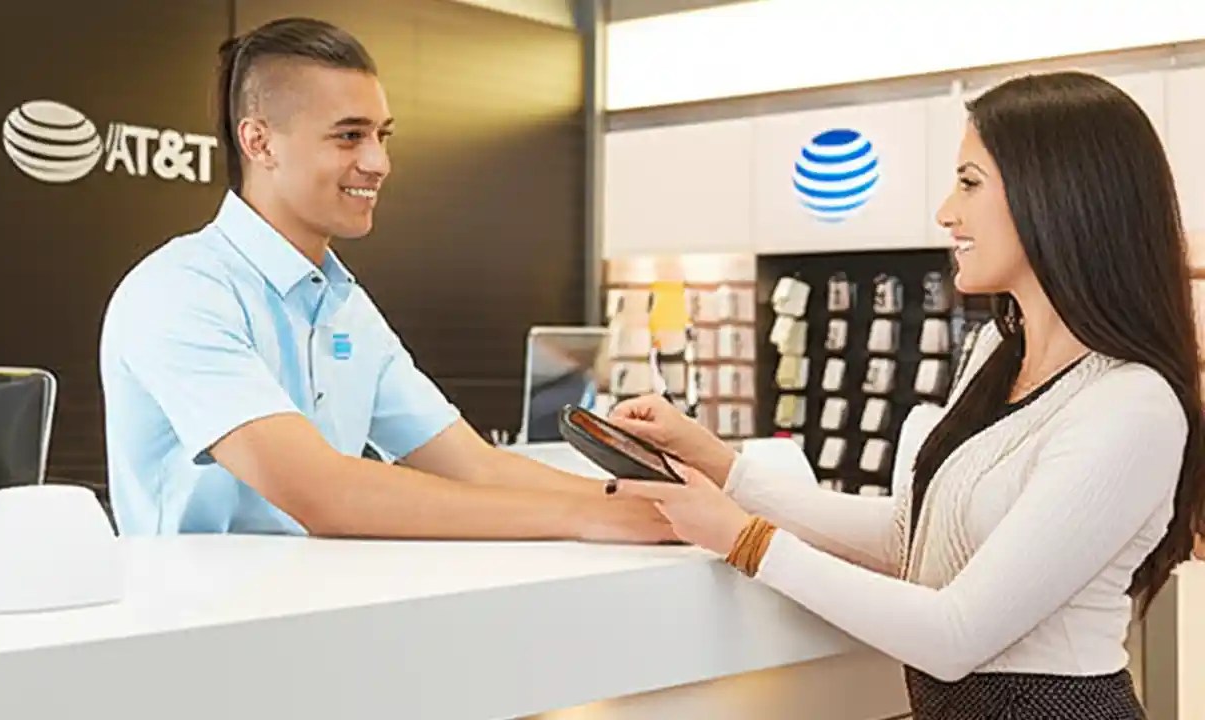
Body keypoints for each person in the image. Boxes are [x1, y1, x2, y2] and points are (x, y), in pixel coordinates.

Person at [605, 71, 1204, 719]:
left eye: (969, 182)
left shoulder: (1131, 406)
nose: (946, 211)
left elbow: (955, 635)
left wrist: (745, 539)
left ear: (1057, 196)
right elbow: (908, 539)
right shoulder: (994, 358)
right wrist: (719, 465)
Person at [98, 17, 672, 543]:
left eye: (382, 135)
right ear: (259, 141)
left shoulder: (345, 304)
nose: (378, 163)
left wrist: (652, 503)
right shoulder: (179, 291)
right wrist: (587, 517)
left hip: (327, 615)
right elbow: (321, 493)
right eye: (349, 136)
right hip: (195, 634)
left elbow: (473, 465)